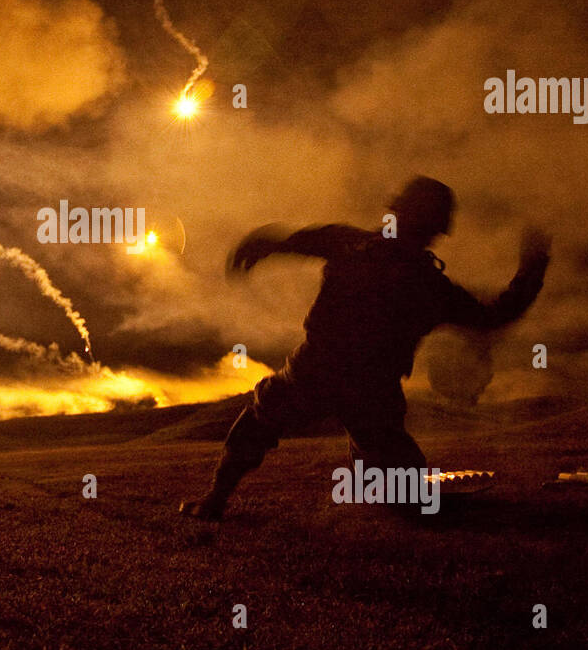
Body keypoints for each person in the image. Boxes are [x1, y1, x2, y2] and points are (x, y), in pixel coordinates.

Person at [180, 176, 551, 520]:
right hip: (331, 372)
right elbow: (495, 314)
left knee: (404, 490)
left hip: (360, 384)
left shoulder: (411, 275)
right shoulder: (373, 255)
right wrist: (262, 244)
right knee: (263, 419)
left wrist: (532, 270)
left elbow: (493, 315)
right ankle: (216, 498)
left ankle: (219, 499)